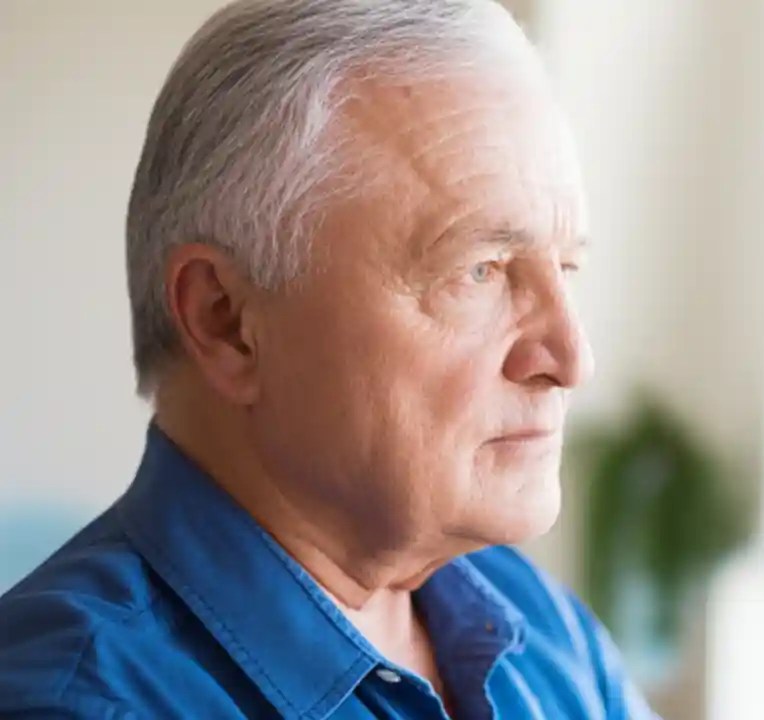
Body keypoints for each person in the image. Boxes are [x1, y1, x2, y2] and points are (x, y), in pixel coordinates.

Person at [0, 1, 656, 717]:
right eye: (480, 271)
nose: (569, 357)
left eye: (566, 268)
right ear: (228, 323)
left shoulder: (540, 624)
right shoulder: (76, 702)